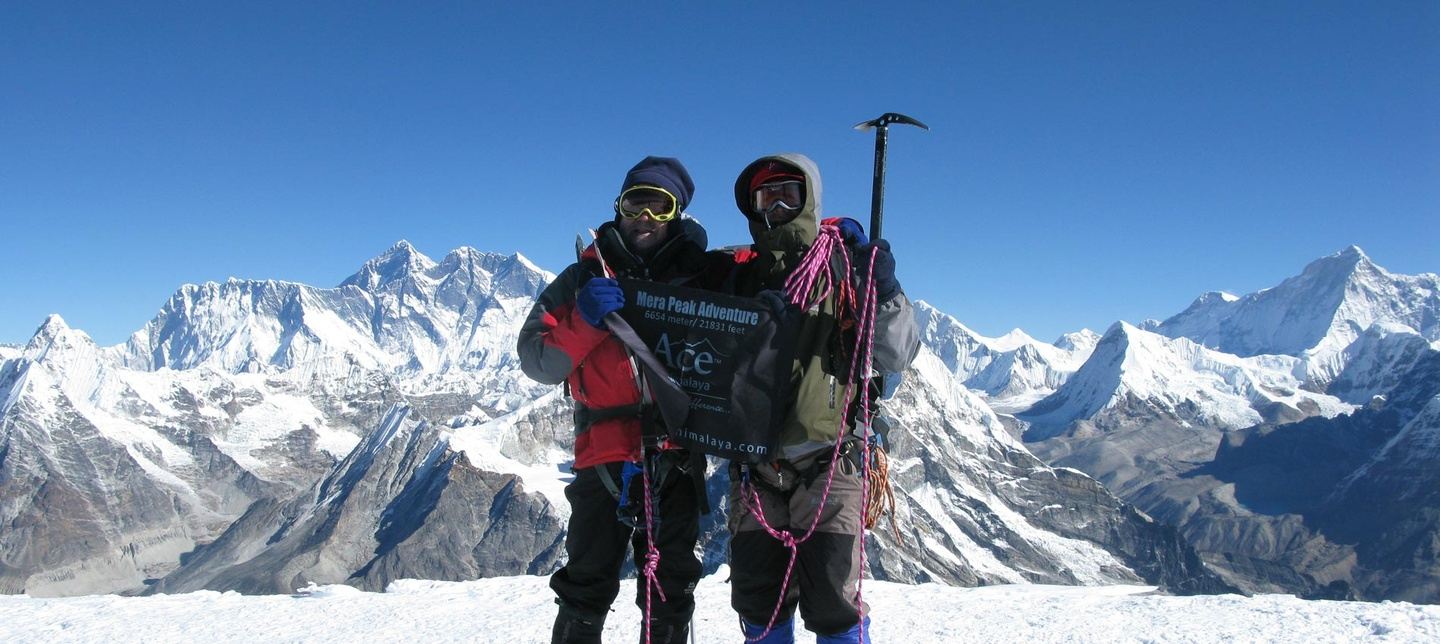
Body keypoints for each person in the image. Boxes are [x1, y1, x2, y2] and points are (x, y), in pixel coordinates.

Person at [721, 154, 920, 643]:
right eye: (766, 196)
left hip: (829, 463)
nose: (778, 206)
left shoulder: (845, 267)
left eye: (790, 193)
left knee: (835, 604)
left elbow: (895, 354)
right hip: (754, 466)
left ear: (809, 198)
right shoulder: (738, 273)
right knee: (758, 602)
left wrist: (884, 288)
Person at [517, 156, 709, 644]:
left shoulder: (705, 276)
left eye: (659, 207)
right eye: (634, 203)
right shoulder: (579, 280)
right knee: (585, 585)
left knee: (669, 588)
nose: (644, 218)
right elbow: (537, 361)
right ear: (618, 207)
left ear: (677, 214)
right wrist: (583, 321)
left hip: (676, 455)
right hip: (602, 457)